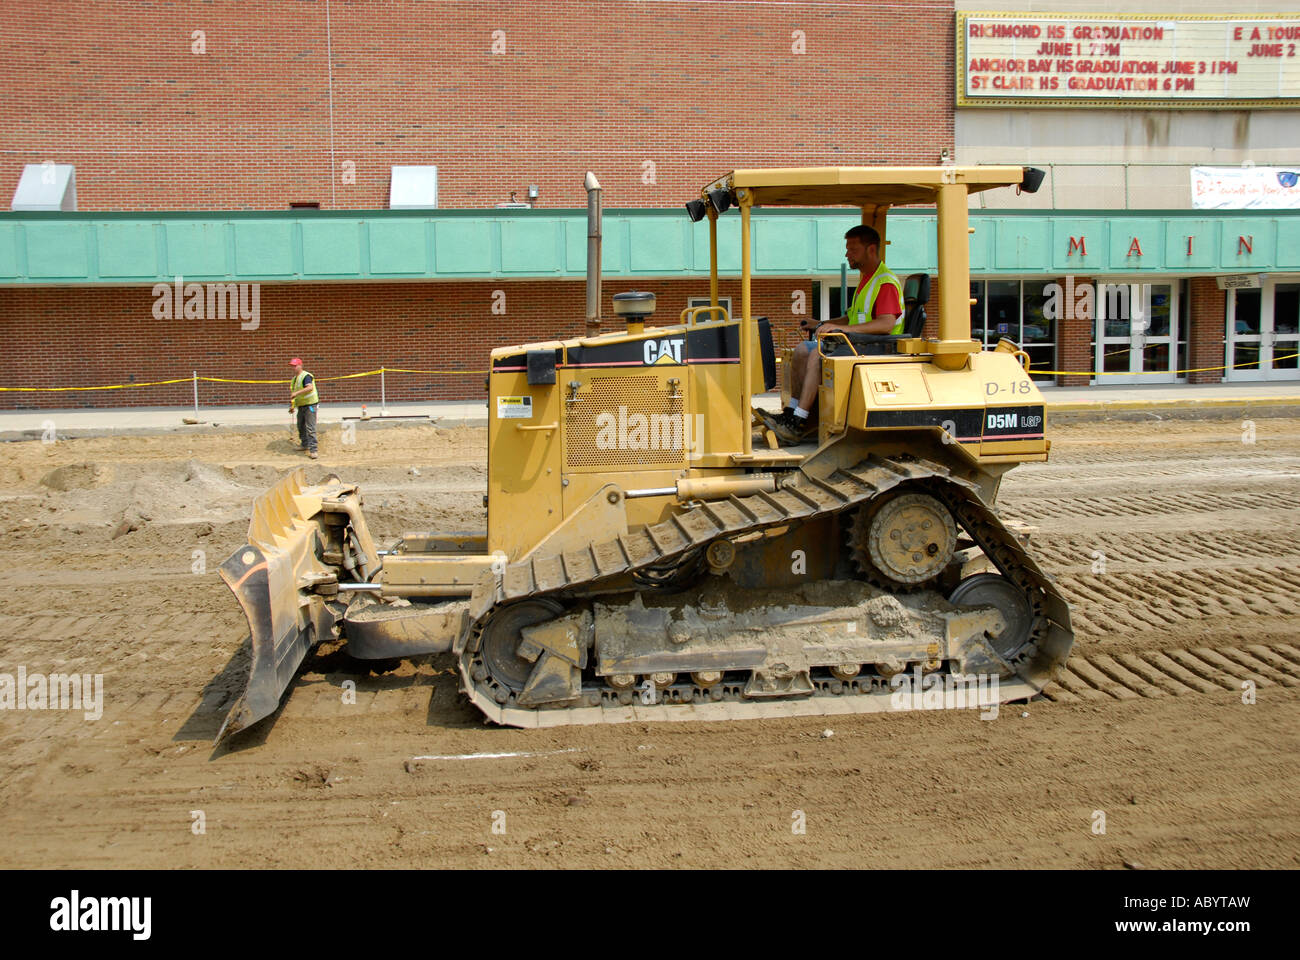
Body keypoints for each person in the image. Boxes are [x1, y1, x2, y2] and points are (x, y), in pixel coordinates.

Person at [761, 225, 904, 445]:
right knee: (801, 350)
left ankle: (799, 421)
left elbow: (886, 324)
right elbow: (851, 318)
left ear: (871, 250)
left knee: (818, 354)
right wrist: (821, 324)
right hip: (860, 344)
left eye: (853, 249)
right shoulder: (867, 280)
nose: (847, 254)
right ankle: (792, 414)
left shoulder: (884, 283)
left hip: (878, 348)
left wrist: (843, 330)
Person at [288, 357, 319, 459]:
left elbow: (309, 388)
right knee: (300, 426)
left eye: (295, 366)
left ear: (300, 366)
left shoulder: (306, 376)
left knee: (310, 427)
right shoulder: (294, 379)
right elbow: (294, 396)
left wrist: (296, 393)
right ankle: (304, 444)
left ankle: (313, 450)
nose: (293, 368)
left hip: (310, 405)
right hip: (301, 405)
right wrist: (292, 406)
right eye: (292, 366)